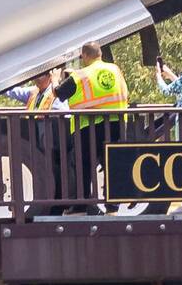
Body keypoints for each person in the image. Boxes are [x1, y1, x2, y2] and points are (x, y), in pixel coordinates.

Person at [53, 41, 129, 208]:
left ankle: (83, 203)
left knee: (84, 165)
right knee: (112, 163)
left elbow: (59, 93)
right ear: (100, 54)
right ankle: (113, 205)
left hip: (87, 126)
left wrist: (54, 79)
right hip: (115, 123)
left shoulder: (80, 75)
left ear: (85, 55)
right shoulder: (114, 69)